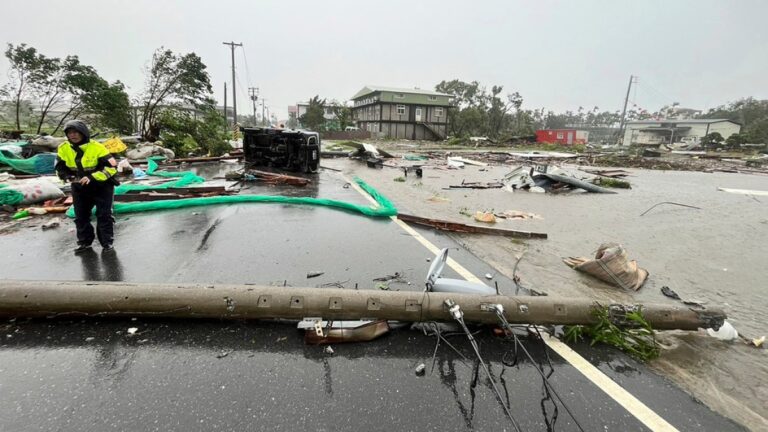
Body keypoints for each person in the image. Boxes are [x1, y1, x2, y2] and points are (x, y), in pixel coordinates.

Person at [55, 120, 118, 253]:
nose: (73, 135)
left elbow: (112, 167)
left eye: (76, 132)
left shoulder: (97, 147)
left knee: (104, 215)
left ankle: (107, 243)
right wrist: (67, 176)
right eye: (70, 133)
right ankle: (84, 242)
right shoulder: (63, 148)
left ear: (83, 133)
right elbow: (59, 167)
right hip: (79, 187)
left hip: (101, 186)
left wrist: (92, 177)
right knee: (81, 216)